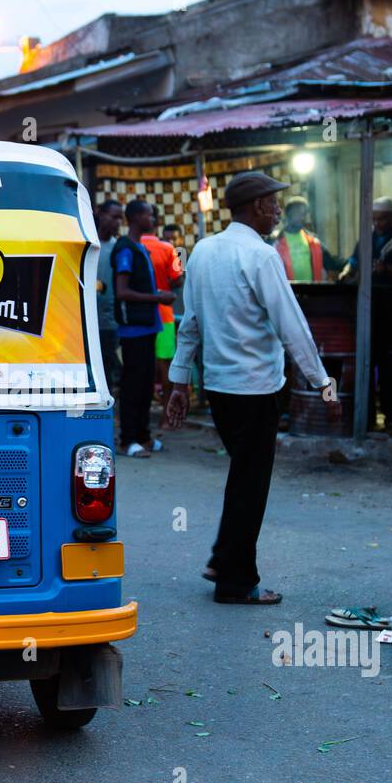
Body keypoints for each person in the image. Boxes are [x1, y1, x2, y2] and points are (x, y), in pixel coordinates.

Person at [164, 171, 333, 605]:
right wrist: (322, 382)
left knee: (242, 478)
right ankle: (236, 581)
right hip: (256, 390)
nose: (278, 209)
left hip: (220, 390)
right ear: (256, 206)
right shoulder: (261, 256)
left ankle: (224, 560)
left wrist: (180, 380)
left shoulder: (202, 252)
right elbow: (291, 324)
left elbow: (191, 324)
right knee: (250, 484)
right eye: (274, 203)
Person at [340, 197, 392, 435]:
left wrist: (388, 270)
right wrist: (345, 273)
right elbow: (352, 262)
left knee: (391, 366)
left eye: (383, 218)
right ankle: (366, 417)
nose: (379, 223)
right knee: (365, 362)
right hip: (366, 310)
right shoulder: (367, 238)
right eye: (375, 219)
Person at [112, 199, 175, 458]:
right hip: (133, 329)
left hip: (149, 325)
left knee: (146, 383)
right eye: (149, 215)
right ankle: (128, 440)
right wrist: (157, 298)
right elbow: (122, 291)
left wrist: (155, 294)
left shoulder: (140, 248)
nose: (153, 219)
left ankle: (144, 435)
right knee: (133, 385)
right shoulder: (125, 249)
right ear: (137, 218)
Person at [141, 226, 184, 408]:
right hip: (165, 313)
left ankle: (141, 416)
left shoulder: (130, 245)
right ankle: (167, 416)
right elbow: (178, 279)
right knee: (165, 364)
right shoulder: (168, 249)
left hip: (138, 314)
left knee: (140, 366)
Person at [273, 196, 342, 283]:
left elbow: (332, 263)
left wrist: (351, 263)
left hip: (312, 294)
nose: (302, 217)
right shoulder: (275, 243)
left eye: (304, 214)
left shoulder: (314, 241)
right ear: (288, 214)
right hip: (288, 293)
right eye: (297, 213)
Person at [94, 200, 123, 392]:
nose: (118, 222)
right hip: (88, 321)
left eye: (120, 218)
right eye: (114, 217)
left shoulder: (118, 247)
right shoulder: (90, 244)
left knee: (111, 368)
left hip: (111, 321)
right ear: (101, 215)